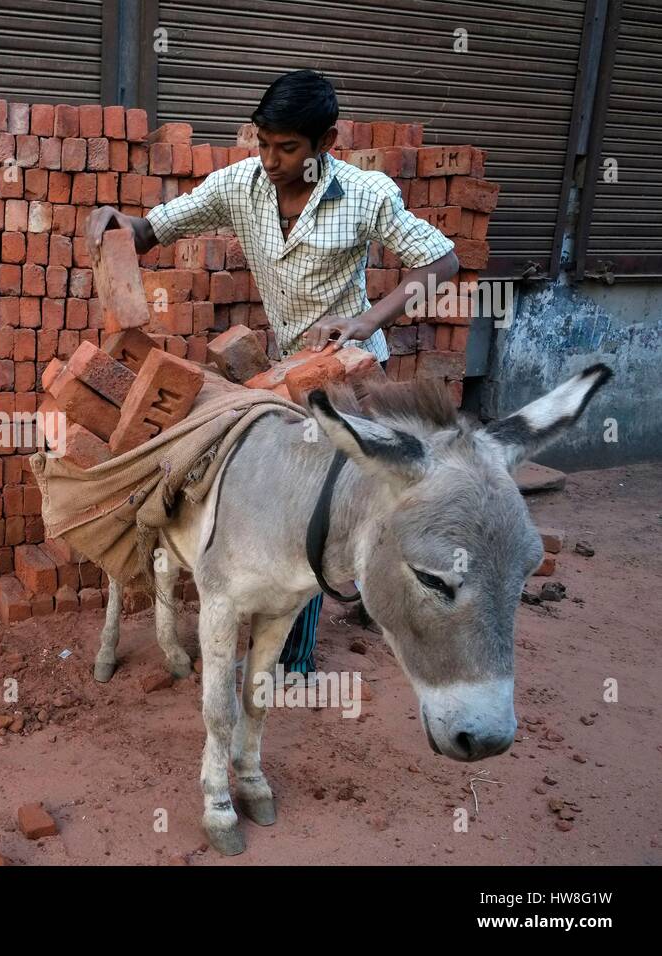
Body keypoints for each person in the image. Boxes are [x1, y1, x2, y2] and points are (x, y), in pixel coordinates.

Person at [85, 69, 460, 674]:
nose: (271, 159)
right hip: (284, 372)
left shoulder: (366, 195)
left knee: (330, 506)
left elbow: (442, 261)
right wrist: (117, 224)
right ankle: (346, 587)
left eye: (287, 148)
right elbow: (156, 227)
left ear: (326, 142)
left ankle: (304, 653)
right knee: (301, 508)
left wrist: (367, 319)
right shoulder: (241, 186)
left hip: (349, 372)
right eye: (262, 143)